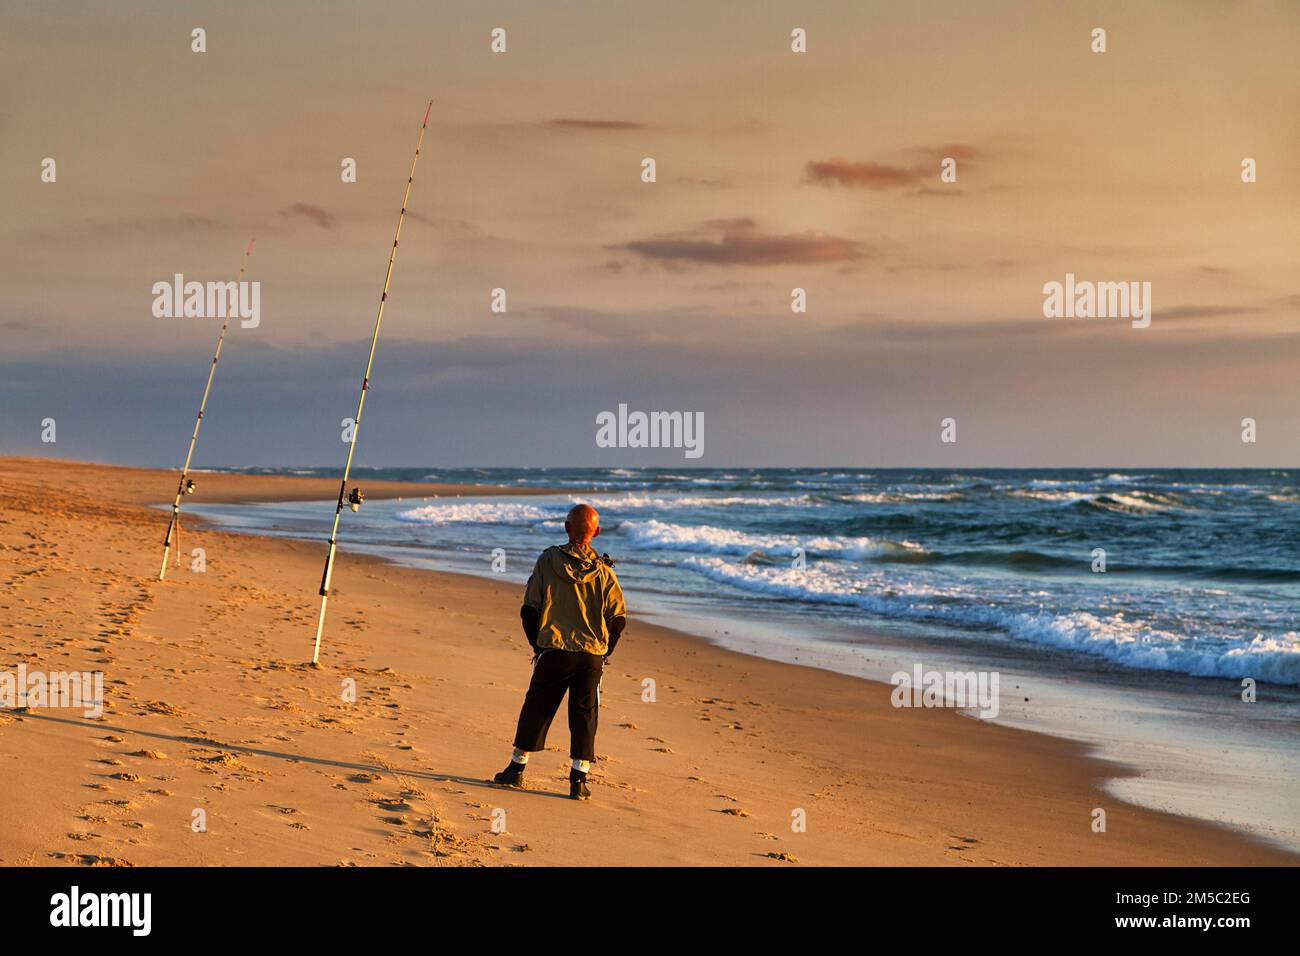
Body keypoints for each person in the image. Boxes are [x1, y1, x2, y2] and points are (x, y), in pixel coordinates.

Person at [492, 503, 627, 800]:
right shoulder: (605, 572)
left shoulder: (547, 560)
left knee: (537, 707)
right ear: (597, 532)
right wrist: (605, 654)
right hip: (590, 654)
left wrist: (537, 647)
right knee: (585, 714)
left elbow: (529, 609)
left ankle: (515, 769)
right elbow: (618, 619)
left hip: (554, 651)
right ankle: (578, 781)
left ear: (567, 528)